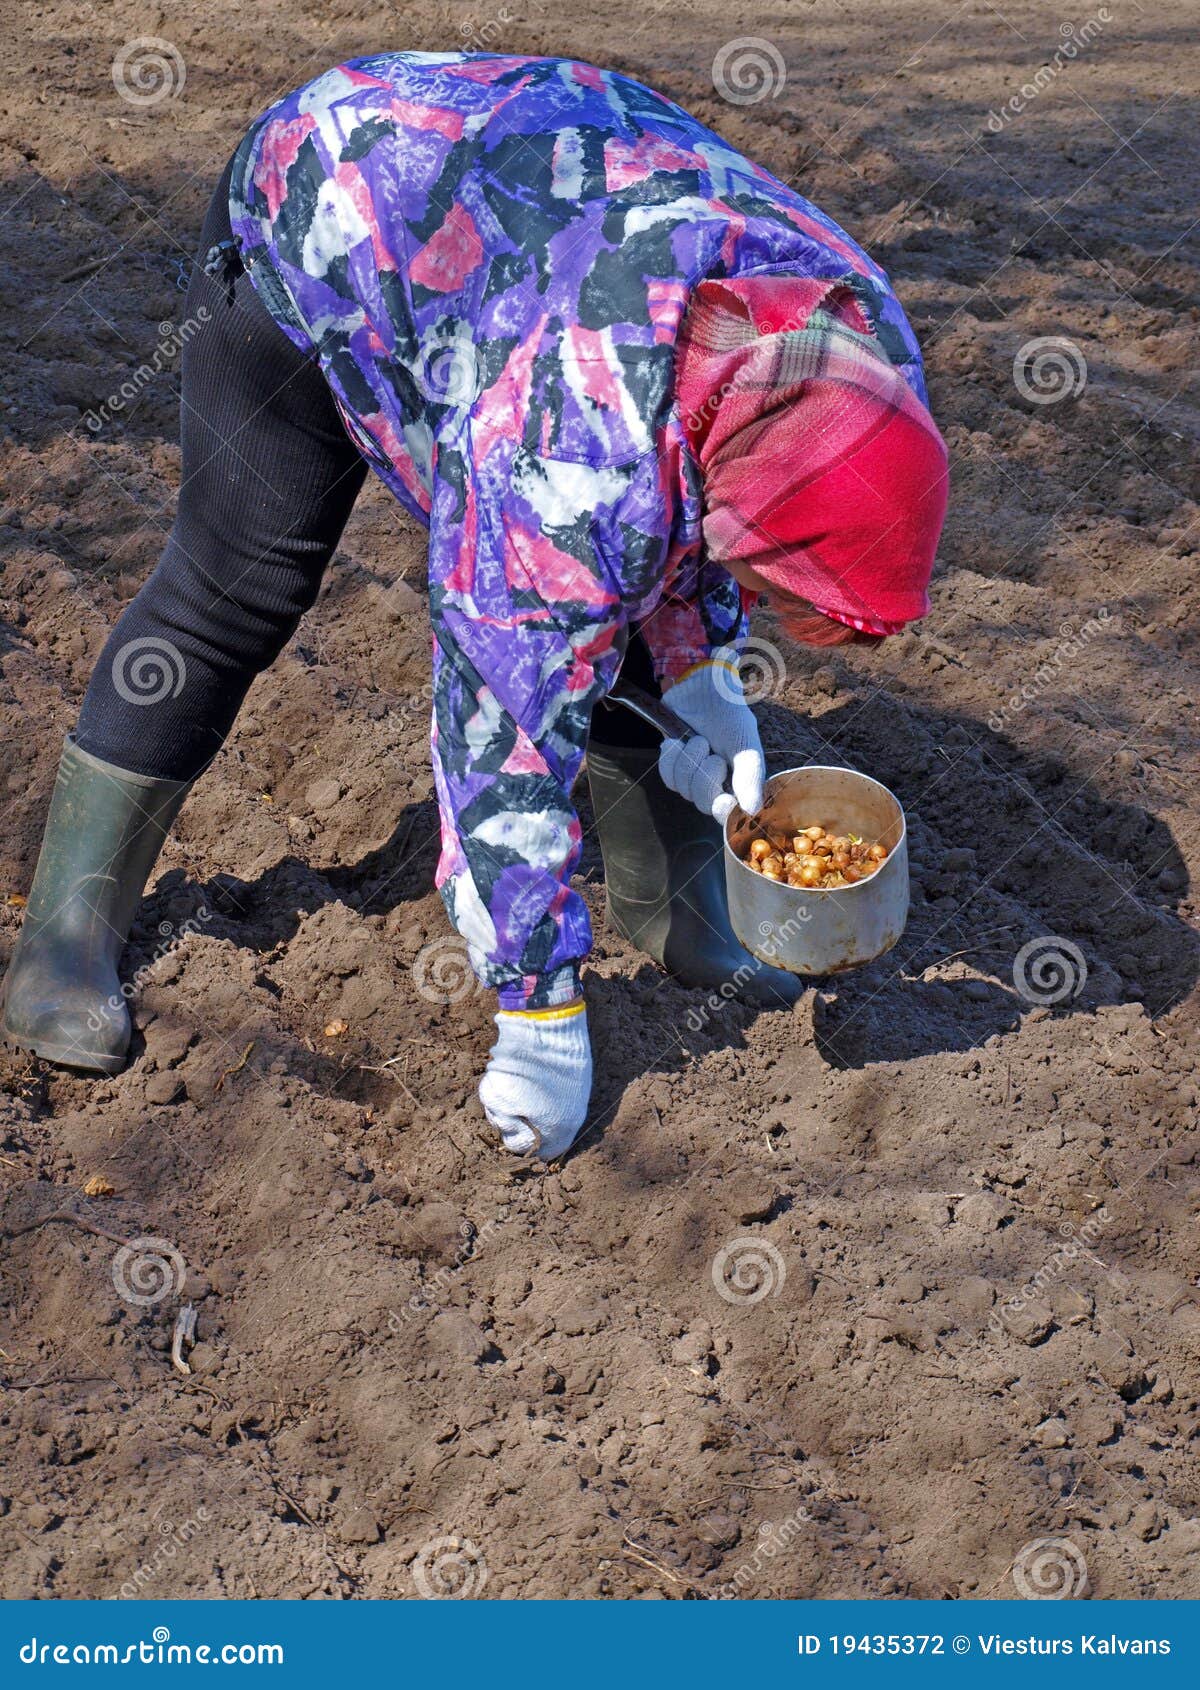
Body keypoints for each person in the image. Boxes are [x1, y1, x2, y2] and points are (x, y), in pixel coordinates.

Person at [1, 52, 948, 1158]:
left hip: (526, 231)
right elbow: (504, 729)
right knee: (240, 584)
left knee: (629, 577)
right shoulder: (569, 456)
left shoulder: (854, 338)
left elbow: (709, 497)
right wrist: (537, 1009)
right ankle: (65, 935)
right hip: (336, 204)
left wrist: (705, 678)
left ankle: (675, 906)